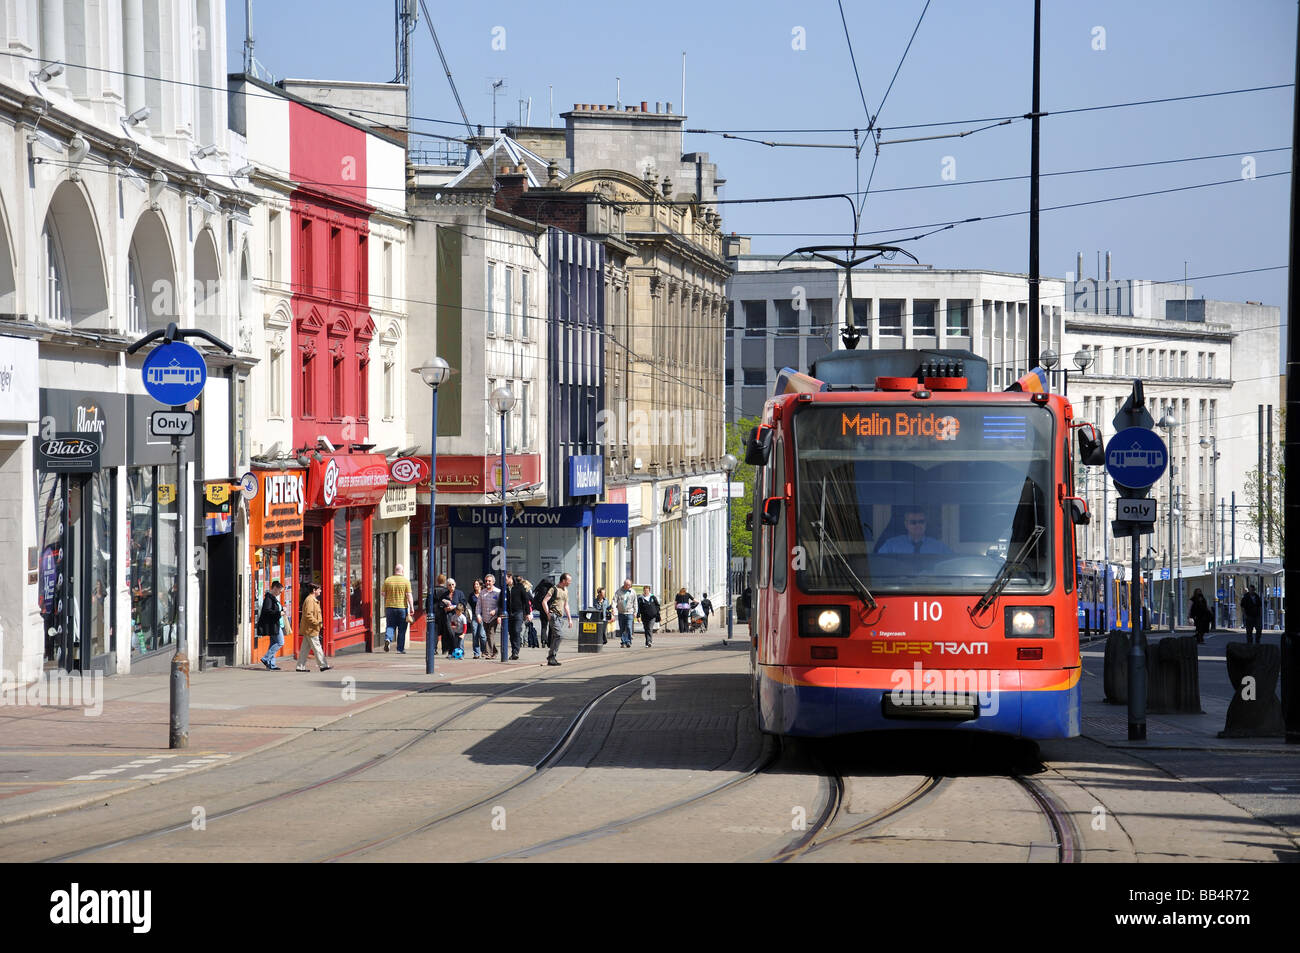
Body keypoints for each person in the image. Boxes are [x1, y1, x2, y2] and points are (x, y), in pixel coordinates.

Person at [876, 507, 952, 555]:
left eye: (921, 522)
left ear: (925, 523)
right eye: (913, 522)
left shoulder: (940, 547)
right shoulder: (890, 545)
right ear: (906, 524)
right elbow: (879, 564)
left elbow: (953, 563)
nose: (917, 525)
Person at [295, 584, 332, 672]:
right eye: (319, 589)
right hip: (311, 628)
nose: (320, 591)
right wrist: (317, 623)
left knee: (305, 649)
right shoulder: (310, 600)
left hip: (310, 628)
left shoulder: (312, 600)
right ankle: (323, 665)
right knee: (317, 647)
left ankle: (300, 667)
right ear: (314, 590)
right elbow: (308, 615)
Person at [381, 564, 414, 654]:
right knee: (402, 629)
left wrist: (389, 596)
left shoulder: (388, 580)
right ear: (402, 571)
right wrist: (411, 607)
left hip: (390, 607)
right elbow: (409, 595)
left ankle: (388, 639)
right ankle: (400, 649)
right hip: (402, 608)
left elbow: (383, 593)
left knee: (390, 625)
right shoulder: (405, 581)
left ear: (395, 570)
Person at [545, 572, 573, 666]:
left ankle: (552, 658)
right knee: (559, 635)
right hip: (554, 615)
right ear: (564, 580)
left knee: (555, 637)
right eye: (569, 581)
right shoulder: (554, 589)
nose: (570, 583)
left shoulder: (566, 590)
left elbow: (566, 605)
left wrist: (570, 619)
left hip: (561, 617)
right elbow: (544, 601)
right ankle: (551, 656)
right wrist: (548, 613)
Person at [257, 581, 285, 671]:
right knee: (280, 642)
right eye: (279, 591)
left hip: (275, 624)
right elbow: (267, 611)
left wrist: (281, 609)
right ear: (275, 588)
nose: (280, 593)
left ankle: (271, 664)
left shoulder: (273, 598)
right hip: (273, 625)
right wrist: (279, 612)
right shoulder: (269, 599)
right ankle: (266, 658)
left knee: (273, 643)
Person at [478, 574, 503, 659]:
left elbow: (500, 605)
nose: (487, 583)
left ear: (493, 582)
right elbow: (478, 606)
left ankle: (488, 652)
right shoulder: (482, 592)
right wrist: (478, 615)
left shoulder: (498, 592)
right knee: (489, 636)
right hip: (485, 617)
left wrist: (495, 611)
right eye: (486, 581)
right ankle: (495, 652)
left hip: (494, 617)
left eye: (489, 581)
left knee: (491, 633)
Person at [508, 573, 529, 659]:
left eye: (506, 578)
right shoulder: (505, 588)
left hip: (518, 612)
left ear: (510, 578)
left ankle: (516, 651)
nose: (504, 580)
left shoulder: (519, 587)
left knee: (517, 631)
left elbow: (526, 600)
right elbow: (501, 602)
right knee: (511, 633)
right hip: (508, 614)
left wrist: (528, 613)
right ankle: (514, 652)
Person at [615, 579, 637, 648]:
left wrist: (636, 612)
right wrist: (613, 609)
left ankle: (628, 641)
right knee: (622, 628)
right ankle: (623, 642)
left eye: (629, 585)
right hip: (621, 612)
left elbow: (635, 602)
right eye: (627, 585)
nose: (628, 586)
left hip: (630, 612)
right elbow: (614, 600)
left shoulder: (633, 592)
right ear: (624, 585)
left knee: (629, 627)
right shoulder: (619, 591)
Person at [467, 579, 486, 658]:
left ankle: (484, 651)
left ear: (481, 585)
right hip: (474, 616)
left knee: (482, 635)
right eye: (475, 584)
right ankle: (476, 653)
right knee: (475, 634)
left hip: (483, 616)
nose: (475, 586)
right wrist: (469, 616)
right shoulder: (472, 595)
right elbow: (469, 607)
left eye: (477, 584)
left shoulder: (484, 594)